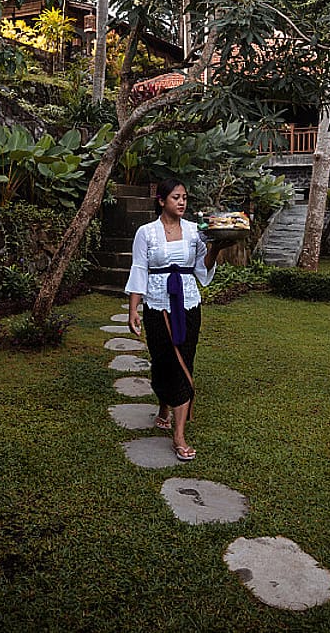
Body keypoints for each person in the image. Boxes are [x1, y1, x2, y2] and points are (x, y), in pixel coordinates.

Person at [126, 178, 234, 462]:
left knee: (184, 361)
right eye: (176, 197)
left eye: (184, 197)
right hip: (157, 305)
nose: (182, 202)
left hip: (187, 303)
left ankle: (179, 435)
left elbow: (202, 269)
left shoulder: (196, 232)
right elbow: (139, 270)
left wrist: (217, 248)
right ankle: (163, 406)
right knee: (162, 360)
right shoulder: (146, 233)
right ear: (161, 200)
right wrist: (133, 309)